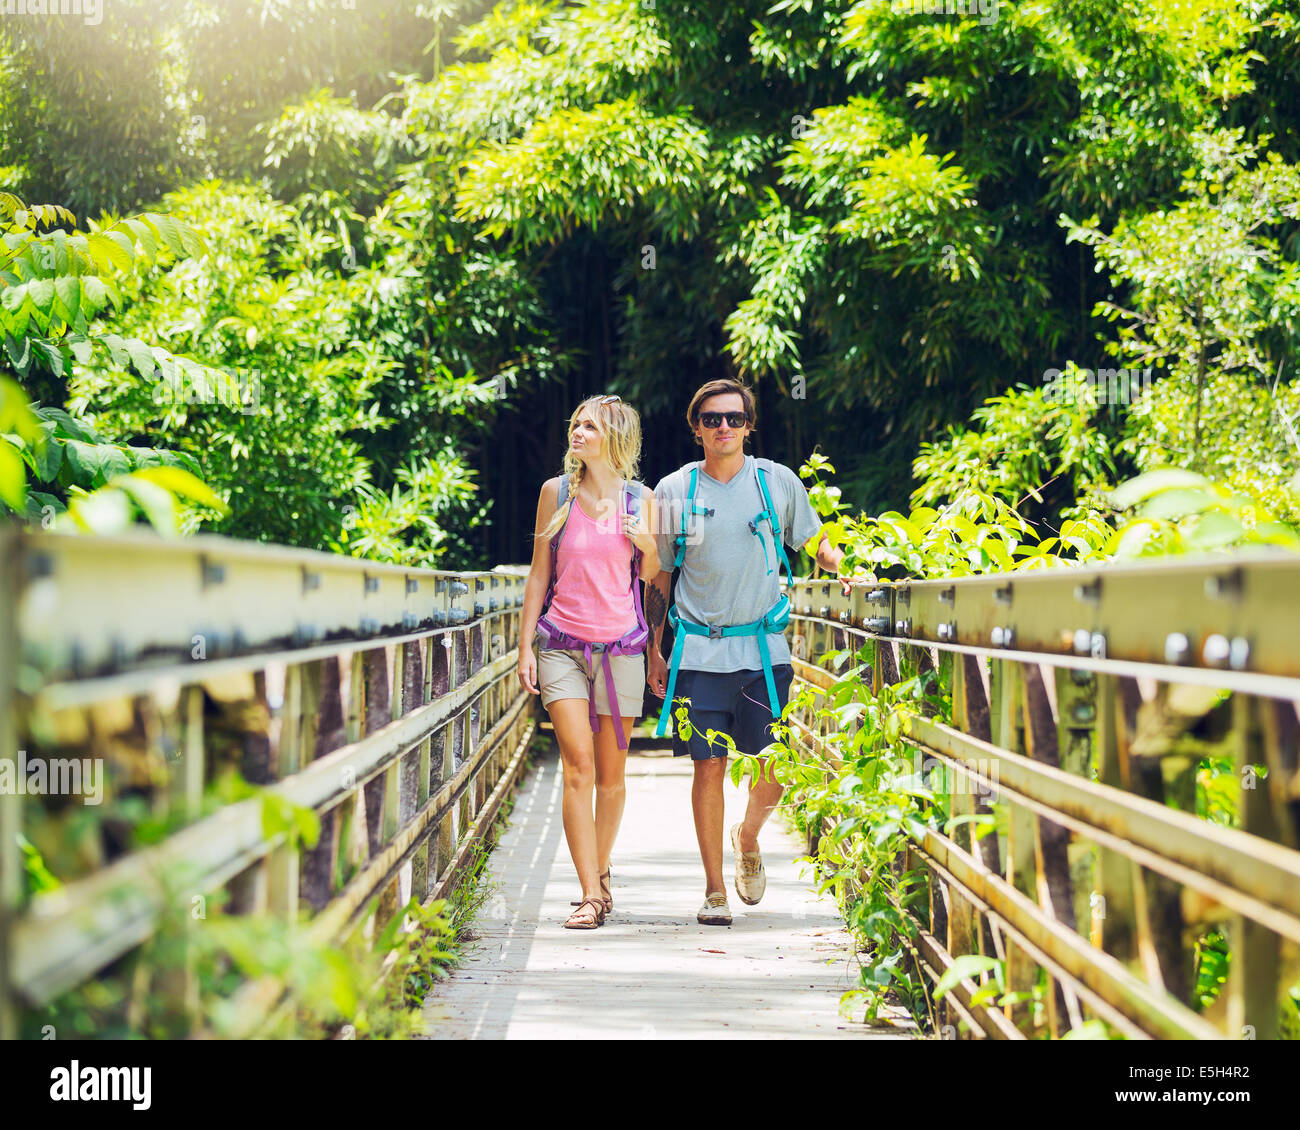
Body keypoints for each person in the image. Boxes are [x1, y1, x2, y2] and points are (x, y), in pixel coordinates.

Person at [646, 379, 852, 925]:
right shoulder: (673, 492)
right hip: (698, 652)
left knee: (773, 765)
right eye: (712, 419)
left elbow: (812, 539)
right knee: (707, 767)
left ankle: (749, 835)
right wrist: (653, 650)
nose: (723, 428)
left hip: (762, 650)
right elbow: (661, 575)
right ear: (697, 428)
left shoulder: (774, 482)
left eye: (734, 419)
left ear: (748, 426)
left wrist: (841, 564)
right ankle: (714, 889)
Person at [518, 395, 660, 930]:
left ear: (615, 438)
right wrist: (524, 644)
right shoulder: (556, 493)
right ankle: (589, 894)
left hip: (621, 648)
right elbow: (538, 573)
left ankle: (600, 873)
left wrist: (647, 544)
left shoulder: (640, 501)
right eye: (575, 423)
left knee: (611, 777)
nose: (577, 432)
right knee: (578, 767)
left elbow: (655, 577)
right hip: (562, 646)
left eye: (590, 426)